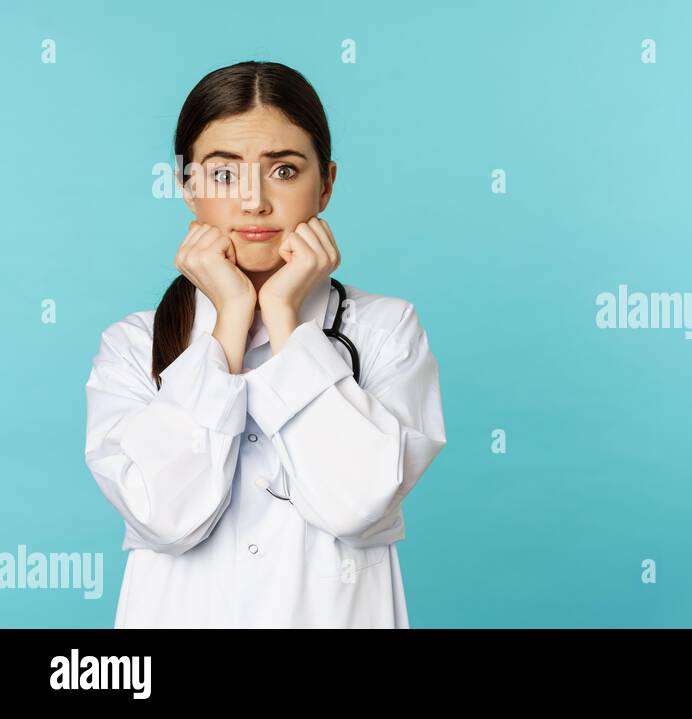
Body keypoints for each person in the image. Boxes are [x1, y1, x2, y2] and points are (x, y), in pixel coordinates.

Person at [83, 61, 446, 628]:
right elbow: (165, 517)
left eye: (283, 170)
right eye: (223, 174)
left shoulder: (386, 330)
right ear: (186, 186)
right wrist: (230, 319)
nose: (253, 202)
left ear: (325, 184)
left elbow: (359, 504)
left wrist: (285, 319)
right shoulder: (133, 344)